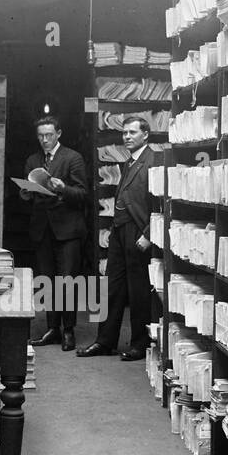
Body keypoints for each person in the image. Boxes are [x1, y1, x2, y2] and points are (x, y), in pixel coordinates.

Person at [77, 114, 155, 360]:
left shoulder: (153, 161)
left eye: (132, 132)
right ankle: (105, 341)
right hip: (120, 233)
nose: (127, 137)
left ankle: (140, 345)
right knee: (111, 289)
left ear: (146, 134)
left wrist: (149, 235)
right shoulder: (128, 162)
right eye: (124, 133)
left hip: (138, 232)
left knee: (139, 291)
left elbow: (162, 205)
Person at [21, 114, 88, 351]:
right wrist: (26, 192)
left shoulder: (73, 158)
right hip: (42, 229)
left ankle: (69, 330)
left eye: (49, 135)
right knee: (47, 281)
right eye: (40, 136)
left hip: (68, 229)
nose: (44, 140)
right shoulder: (32, 160)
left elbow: (82, 194)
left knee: (67, 281)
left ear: (59, 134)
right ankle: (52, 329)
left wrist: (63, 188)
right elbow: (29, 193)